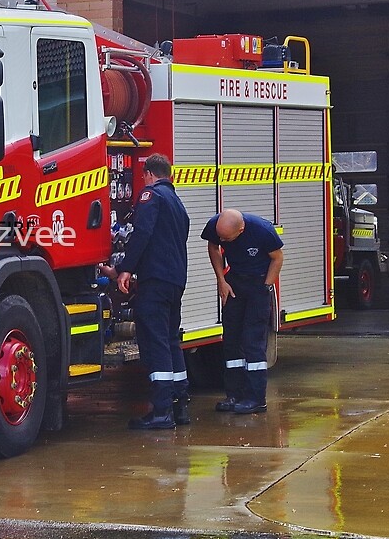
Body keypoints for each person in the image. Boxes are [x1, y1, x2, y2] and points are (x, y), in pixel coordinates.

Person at [113, 153, 191, 430]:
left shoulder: (151, 196)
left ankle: (161, 412)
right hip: (174, 281)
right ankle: (180, 407)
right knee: (171, 341)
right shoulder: (177, 202)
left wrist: (125, 267)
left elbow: (143, 233)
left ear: (148, 174)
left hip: (155, 282)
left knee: (155, 341)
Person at [201, 208, 284, 414]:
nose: (223, 241)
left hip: (258, 283)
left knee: (252, 341)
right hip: (234, 282)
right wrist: (221, 280)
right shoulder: (216, 225)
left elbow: (277, 258)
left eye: (227, 238)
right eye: (221, 237)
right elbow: (213, 247)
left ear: (241, 230)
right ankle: (234, 395)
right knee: (231, 340)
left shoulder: (262, 231)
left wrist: (265, 287)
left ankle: (256, 399)